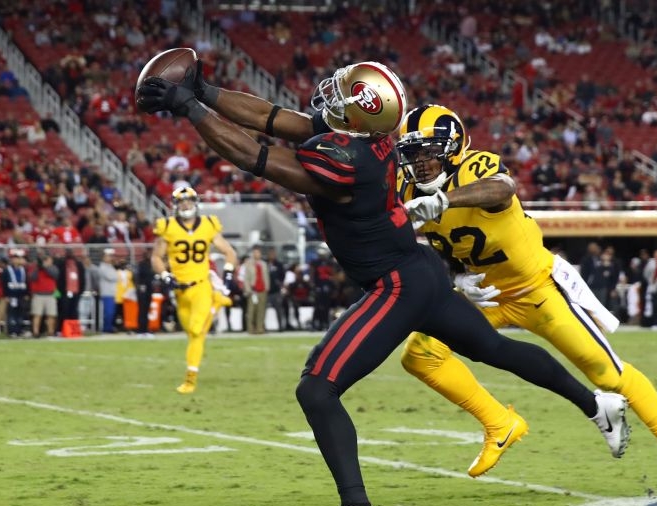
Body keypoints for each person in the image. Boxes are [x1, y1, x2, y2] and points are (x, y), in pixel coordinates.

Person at [137, 59, 629, 506]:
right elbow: (271, 118)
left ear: (361, 115)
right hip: (420, 271)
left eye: (345, 94)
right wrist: (207, 90)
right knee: (494, 348)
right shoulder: (365, 140)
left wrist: (189, 107)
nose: (332, 96)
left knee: (317, 391)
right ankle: (597, 405)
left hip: (396, 285)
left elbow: (256, 156)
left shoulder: (350, 162)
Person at [396, 104, 657, 505]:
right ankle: (499, 422)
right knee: (420, 355)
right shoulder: (408, 192)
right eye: (412, 153)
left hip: (538, 289)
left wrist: (444, 201)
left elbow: (501, 189)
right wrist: (455, 276)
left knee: (609, 374)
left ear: (453, 148)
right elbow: (445, 246)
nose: (419, 162)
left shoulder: (475, 169)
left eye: (427, 151)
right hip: (486, 295)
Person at [150, 186, 239, 393]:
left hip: (201, 286)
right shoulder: (167, 226)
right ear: (175, 206)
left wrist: (227, 274)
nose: (185, 205)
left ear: (195, 203)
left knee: (198, 330)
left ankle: (190, 380)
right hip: (180, 291)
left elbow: (229, 252)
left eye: (188, 201)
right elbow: (156, 257)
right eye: (181, 202)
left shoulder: (208, 224)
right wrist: (165, 276)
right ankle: (218, 303)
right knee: (191, 333)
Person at [242, 245, 269, 334]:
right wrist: (248, 289)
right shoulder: (249, 264)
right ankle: (250, 328)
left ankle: (260, 327)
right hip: (253, 290)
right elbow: (246, 278)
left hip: (262, 289)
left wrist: (267, 287)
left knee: (261, 310)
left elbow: (266, 277)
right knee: (251, 310)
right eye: (255, 253)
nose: (257, 254)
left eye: (258, 253)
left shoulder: (264, 264)